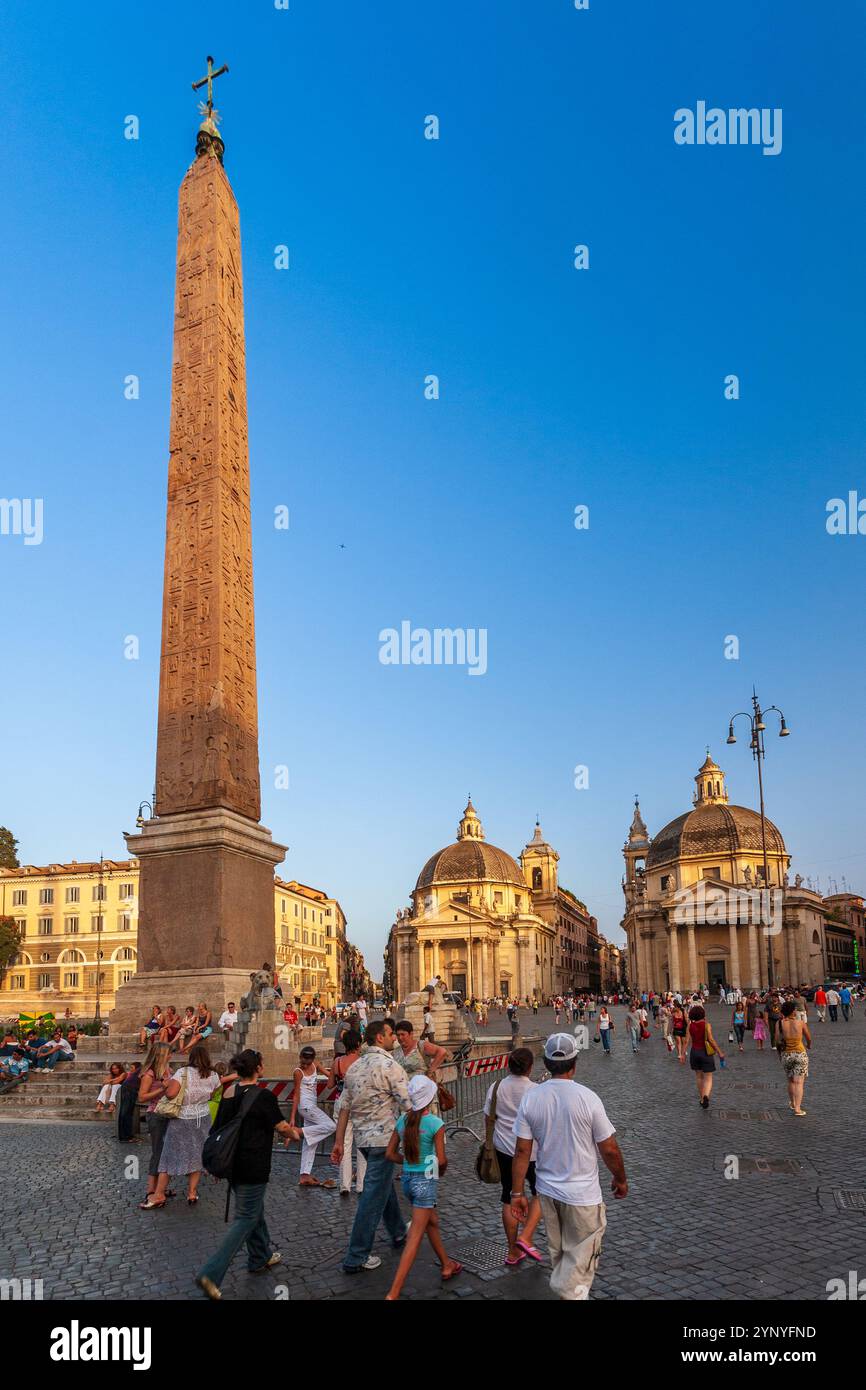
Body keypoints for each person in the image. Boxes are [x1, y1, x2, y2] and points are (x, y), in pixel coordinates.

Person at [511, 1033, 627, 1301]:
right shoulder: (588, 1098)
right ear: (575, 1063)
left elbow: (521, 1151)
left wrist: (518, 1194)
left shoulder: (532, 1098)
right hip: (582, 1197)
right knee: (577, 1274)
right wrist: (620, 1179)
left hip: (548, 1196)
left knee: (563, 1260)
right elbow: (608, 1148)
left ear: (547, 1063)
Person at [195, 1049, 301, 1299]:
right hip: (253, 1164)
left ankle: (259, 1256)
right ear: (258, 1069)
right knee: (245, 1217)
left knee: (254, 1211)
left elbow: (217, 1129)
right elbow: (282, 1126)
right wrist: (295, 1135)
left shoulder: (229, 1092)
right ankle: (211, 1273)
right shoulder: (263, 1096)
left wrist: (215, 1165)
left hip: (232, 1164)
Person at [331, 1018, 411, 1273]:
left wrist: (338, 1142)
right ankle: (356, 1256)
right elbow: (409, 1105)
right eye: (390, 1034)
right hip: (385, 1141)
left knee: (382, 1189)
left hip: (363, 1142)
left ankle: (398, 1231)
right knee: (370, 1199)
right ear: (379, 1037)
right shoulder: (391, 1066)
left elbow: (343, 1106)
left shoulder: (353, 1068)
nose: (394, 1038)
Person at [383, 1074, 462, 1299]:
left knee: (431, 1221)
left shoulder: (402, 1121)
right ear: (430, 1099)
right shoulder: (435, 1124)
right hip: (425, 1183)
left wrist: (408, 1162)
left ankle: (447, 1264)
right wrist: (438, 1171)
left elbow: (390, 1154)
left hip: (407, 1180)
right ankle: (393, 1293)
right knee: (414, 1238)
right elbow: (442, 1160)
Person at [483, 1047, 543, 1265]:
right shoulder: (536, 1090)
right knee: (541, 1194)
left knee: (508, 1197)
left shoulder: (496, 1087)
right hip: (533, 1152)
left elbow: (488, 1118)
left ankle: (511, 1251)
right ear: (529, 1067)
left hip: (504, 1149)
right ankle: (525, 1236)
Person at [150, 1043, 221, 1207]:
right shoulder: (214, 1075)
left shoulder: (183, 1073)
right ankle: (192, 1193)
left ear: (191, 1058)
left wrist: (166, 1086)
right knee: (197, 1154)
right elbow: (213, 1093)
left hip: (182, 1118)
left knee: (169, 1154)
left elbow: (171, 1094)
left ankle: (159, 1193)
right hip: (203, 1117)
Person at [289, 1046, 337, 1188]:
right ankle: (298, 1131)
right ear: (300, 1058)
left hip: (311, 1105)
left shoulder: (315, 1065)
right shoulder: (298, 1072)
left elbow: (329, 1075)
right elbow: (296, 1094)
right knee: (331, 1126)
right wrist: (292, 1117)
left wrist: (340, 1076)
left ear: (312, 1060)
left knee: (310, 1143)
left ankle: (304, 1175)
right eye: (302, 1062)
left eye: (307, 1063)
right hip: (305, 1106)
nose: (304, 1065)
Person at [326, 1030, 366, 1195]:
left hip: (341, 1101)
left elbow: (329, 1085)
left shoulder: (338, 1062)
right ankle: (362, 1185)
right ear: (358, 1044)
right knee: (362, 1146)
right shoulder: (363, 1061)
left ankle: (344, 1185)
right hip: (360, 1103)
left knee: (343, 1143)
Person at [138, 1041, 174, 1208]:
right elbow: (142, 1097)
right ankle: (151, 1190)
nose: (171, 1056)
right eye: (168, 1053)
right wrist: (162, 1089)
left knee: (167, 1152)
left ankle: (162, 1188)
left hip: (168, 1114)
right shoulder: (149, 1073)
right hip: (156, 1114)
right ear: (161, 1055)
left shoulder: (168, 1070)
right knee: (158, 1152)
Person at [687, 1005, 724, 1109]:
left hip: (694, 1052)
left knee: (699, 1077)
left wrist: (682, 1054)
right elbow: (711, 1040)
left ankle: (702, 1098)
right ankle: (706, 1095)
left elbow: (687, 1040)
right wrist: (719, 1052)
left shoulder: (690, 1025)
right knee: (708, 1077)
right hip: (705, 1053)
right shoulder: (706, 1025)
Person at [778, 999, 811, 1116]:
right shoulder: (800, 1022)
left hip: (786, 1054)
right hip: (799, 1053)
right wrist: (809, 1045)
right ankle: (798, 1108)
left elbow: (778, 1041)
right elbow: (808, 1038)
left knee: (791, 1081)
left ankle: (792, 1103)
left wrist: (780, 1055)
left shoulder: (780, 1023)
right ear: (793, 1011)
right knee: (799, 1082)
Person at [393, 1020, 446, 1084]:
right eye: (398, 1035)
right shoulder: (395, 1052)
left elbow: (442, 1051)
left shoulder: (421, 1046)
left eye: (403, 1034)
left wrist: (430, 1071)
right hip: (406, 1091)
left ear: (411, 1034)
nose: (400, 1038)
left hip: (423, 1089)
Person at [117, 1062, 143, 1141]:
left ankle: (124, 1135)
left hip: (128, 1089)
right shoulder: (139, 1071)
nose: (131, 1070)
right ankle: (126, 1136)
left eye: (132, 1068)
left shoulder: (136, 1074)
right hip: (129, 1090)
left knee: (125, 1113)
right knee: (126, 1113)